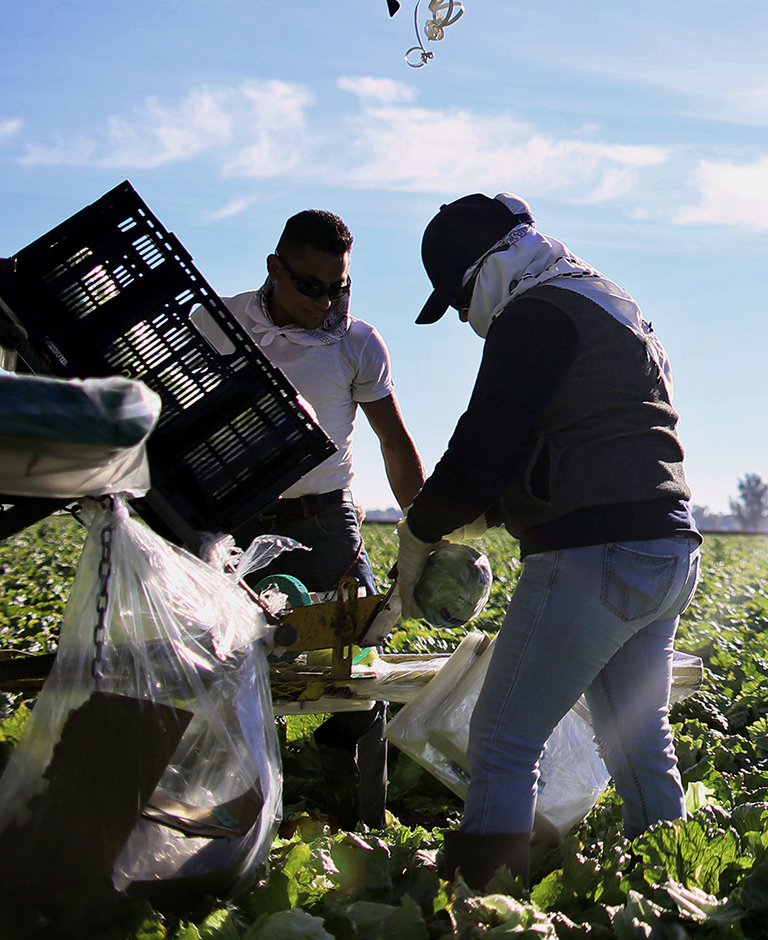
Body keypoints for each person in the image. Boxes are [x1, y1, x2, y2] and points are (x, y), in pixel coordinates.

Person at [395, 193, 699, 891]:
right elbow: (563, 443)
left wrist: (418, 532)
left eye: (459, 298)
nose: (465, 316)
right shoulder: (605, 300)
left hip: (595, 554)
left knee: (502, 740)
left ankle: (485, 910)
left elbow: (481, 452)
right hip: (667, 547)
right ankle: (673, 897)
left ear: (484, 270)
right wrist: (475, 516)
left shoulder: (534, 313)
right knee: (638, 742)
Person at [204, 209, 424, 826]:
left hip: (326, 519)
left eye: (338, 287)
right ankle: (241, 807)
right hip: (240, 522)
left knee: (363, 650)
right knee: (231, 658)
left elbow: (393, 442)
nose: (325, 302)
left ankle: (354, 806)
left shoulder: (358, 342)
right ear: (274, 269)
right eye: (310, 286)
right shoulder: (219, 322)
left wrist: (424, 528)